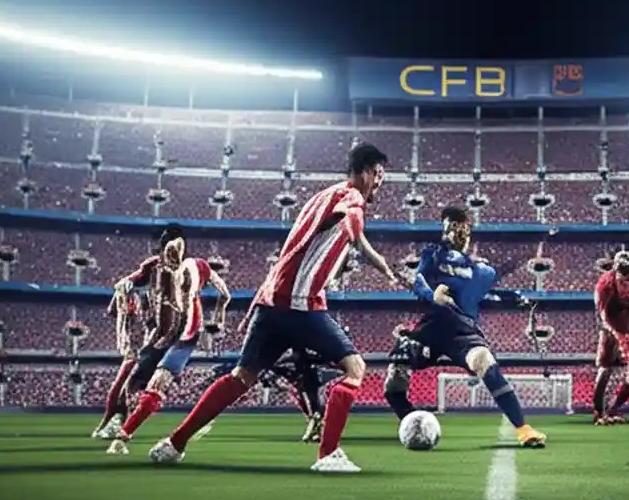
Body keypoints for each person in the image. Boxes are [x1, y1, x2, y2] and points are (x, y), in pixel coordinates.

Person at [149, 143, 399, 473]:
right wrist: (361, 241)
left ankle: (173, 444)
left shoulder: (326, 195)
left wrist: (382, 265)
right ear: (366, 172)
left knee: (241, 377)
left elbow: (352, 236)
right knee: (355, 369)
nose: (380, 181)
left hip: (271, 301)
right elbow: (353, 223)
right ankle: (328, 455)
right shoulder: (353, 198)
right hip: (300, 306)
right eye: (379, 174)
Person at [384, 206, 546, 448]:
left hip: (463, 331)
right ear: (444, 230)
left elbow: (488, 294)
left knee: (484, 361)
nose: (455, 232)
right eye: (450, 227)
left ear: (468, 234)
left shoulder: (482, 271)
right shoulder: (432, 256)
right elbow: (418, 281)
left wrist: (515, 298)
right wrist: (432, 295)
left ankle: (523, 429)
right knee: (394, 379)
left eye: (461, 228)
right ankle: (412, 421)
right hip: (431, 328)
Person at [106, 242, 230, 454]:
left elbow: (189, 322)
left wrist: (218, 316)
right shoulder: (172, 277)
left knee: (156, 385)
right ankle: (120, 431)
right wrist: (219, 314)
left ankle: (120, 439)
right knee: (138, 385)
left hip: (183, 339)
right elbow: (225, 295)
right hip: (169, 334)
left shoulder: (190, 283)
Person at [92, 225, 183, 439]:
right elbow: (125, 283)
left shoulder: (181, 270)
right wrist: (121, 300)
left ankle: (115, 422)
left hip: (162, 336)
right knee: (128, 380)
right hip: (150, 335)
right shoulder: (154, 266)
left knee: (134, 382)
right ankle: (113, 422)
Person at [592, 250, 629, 425]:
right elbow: (603, 314)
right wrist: (617, 335)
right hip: (610, 325)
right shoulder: (605, 284)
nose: (625, 281)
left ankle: (614, 408)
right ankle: (599, 411)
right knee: (605, 367)